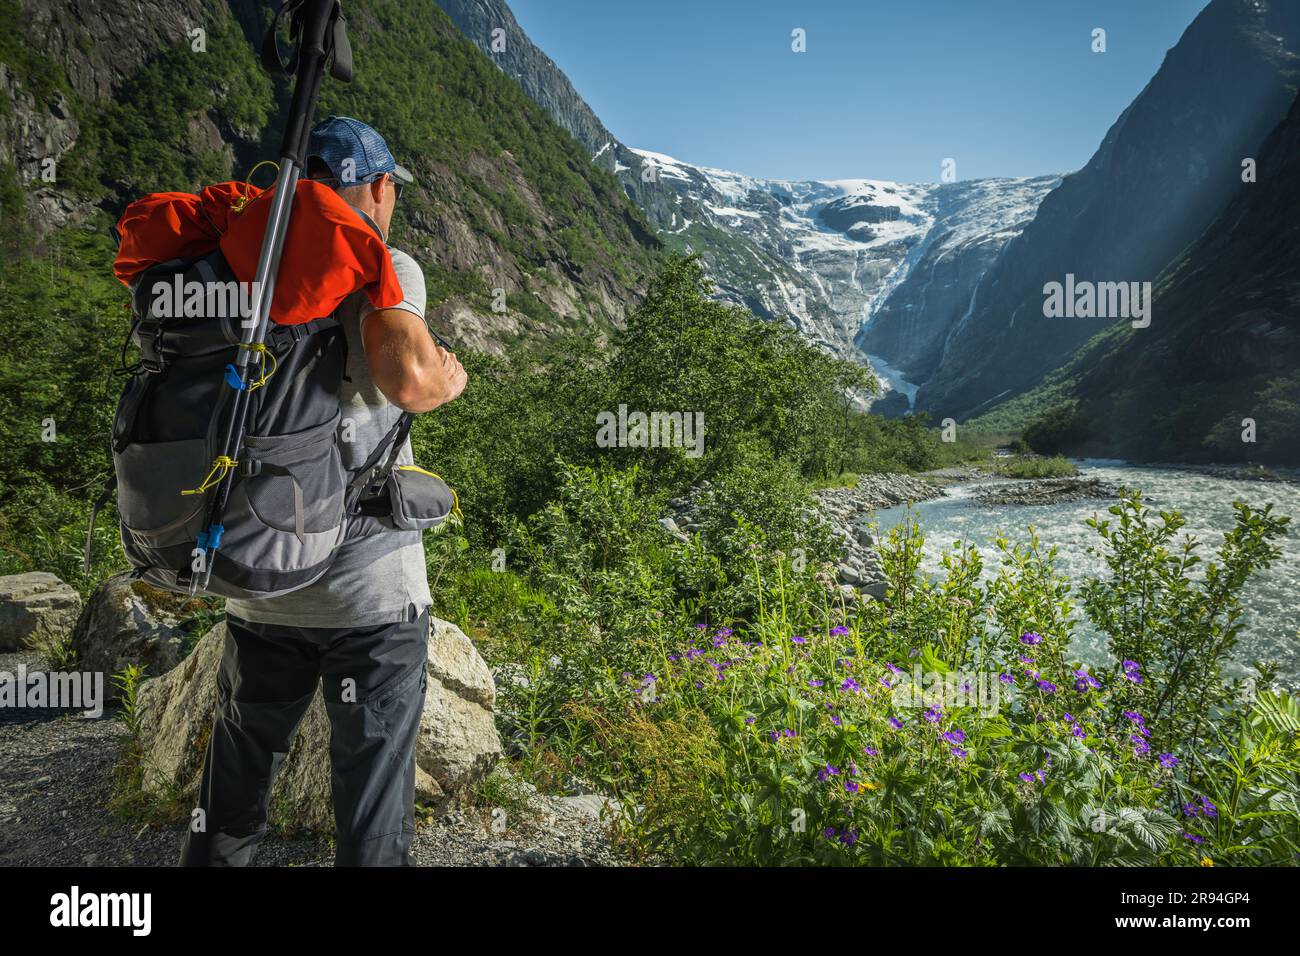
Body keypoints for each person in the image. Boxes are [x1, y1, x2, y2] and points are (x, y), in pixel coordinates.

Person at [181, 116, 467, 867]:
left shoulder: (241, 262)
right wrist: (450, 376)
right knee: (370, 804)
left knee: (235, 780)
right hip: (367, 593)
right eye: (391, 189)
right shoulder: (385, 261)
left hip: (260, 570)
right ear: (378, 188)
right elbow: (409, 379)